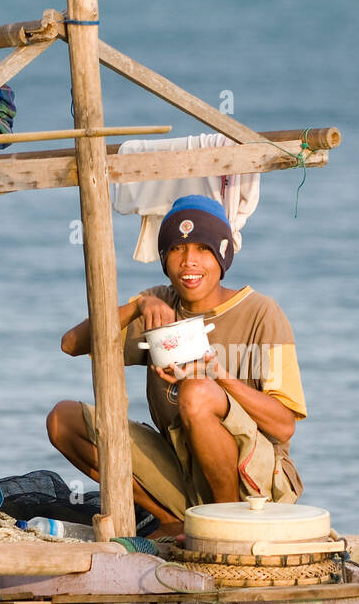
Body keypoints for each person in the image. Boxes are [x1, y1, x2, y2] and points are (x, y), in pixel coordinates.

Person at [47, 195, 306, 536]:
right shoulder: (159, 305)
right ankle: (171, 519)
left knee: (197, 393)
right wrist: (138, 306)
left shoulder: (261, 313)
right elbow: (71, 344)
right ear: (164, 258)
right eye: (177, 249)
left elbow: (284, 426)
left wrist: (220, 378)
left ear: (222, 255)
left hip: (254, 486)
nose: (189, 262)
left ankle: (222, 524)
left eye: (202, 248)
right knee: (62, 420)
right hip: (181, 469)